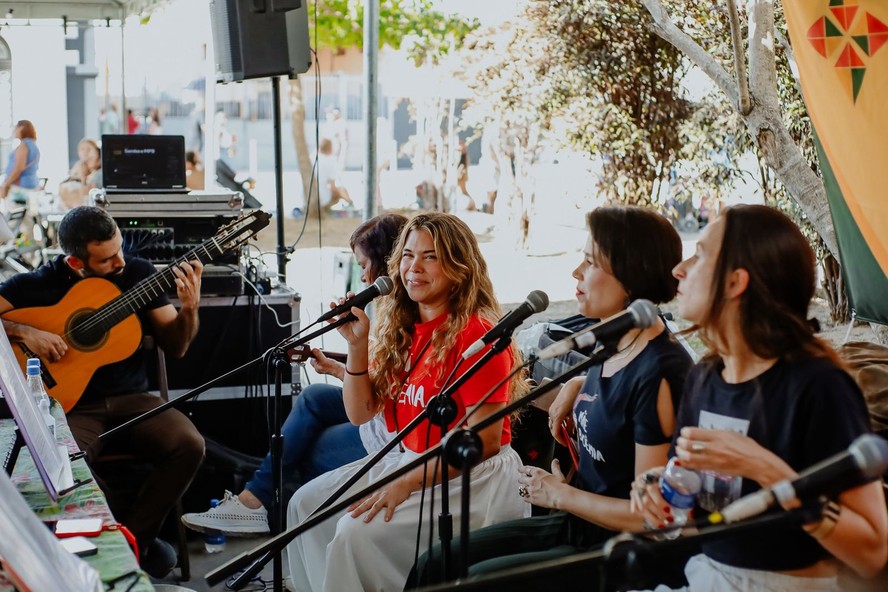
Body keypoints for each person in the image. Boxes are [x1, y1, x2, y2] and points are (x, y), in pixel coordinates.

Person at [408, 206, 693, 589]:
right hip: (579, 521)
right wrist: (576, 388)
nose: (576, 272)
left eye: (590, 262)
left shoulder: (660, 372)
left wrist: (561, 496)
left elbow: (650, 518)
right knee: (436, 563)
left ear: (630, 275)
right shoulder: (613, 341)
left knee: (475, 581)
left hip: (621, 547)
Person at [631, 204, 888, 591]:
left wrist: (768, 471)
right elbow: (686, 491)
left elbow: (872, 555)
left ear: (735, 282)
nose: (677, 270)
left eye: (699, 255)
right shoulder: (704, 376)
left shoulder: (820, 387)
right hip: (705, 575)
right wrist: (654, 488)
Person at [286, 212, 529, 592]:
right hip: (413, 463)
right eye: (408, 255)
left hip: (469, 474)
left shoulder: (478, 336)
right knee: (305, 506)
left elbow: (484, 442)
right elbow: (360, 412)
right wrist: (356, 345)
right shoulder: (401, 326)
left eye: (430, 257)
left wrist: (405, 483)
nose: (414, 268)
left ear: (460, 268)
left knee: (354, 534)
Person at [0, 206, 205, 578]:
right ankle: (107, 538)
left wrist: (190, 308)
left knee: (188, 443)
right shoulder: (37, 285)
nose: (120, 262)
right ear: (76, 261)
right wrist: (24, 332)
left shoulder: (138, 274)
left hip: (135, 401)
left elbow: (176, 346)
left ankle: (134, 542)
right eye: (108, 258)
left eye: (121, 249)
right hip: (72, 407)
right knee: (63, 466)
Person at [181, 213, 408, 536]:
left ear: (385, 262)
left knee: (306, 450)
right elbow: (383, 378)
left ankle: (261, 507)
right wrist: (336, 367)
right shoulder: (391, 309)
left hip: (392, 427)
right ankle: (254, 503)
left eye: (363, 265)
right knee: (313, 397)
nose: (361, 278)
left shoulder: (407, 315)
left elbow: (388, 393)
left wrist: (350, 363)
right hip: (381, 407)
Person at [1, 120, 41, 202]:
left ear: (22, 128)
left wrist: (6, 185)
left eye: (16, 127)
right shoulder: (33, 144)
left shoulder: (24, 145)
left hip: (19, 187)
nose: (14, 130)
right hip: (30, 185)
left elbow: (19, 168)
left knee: (13, 213)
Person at [59, 139, 102, 209]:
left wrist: (82, 177)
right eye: (82, 150)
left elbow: (88, 193)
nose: (85, 153)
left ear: (98, 152)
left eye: (89, 149)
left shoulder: (99, 174)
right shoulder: (78, 168)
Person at [316, 137, 354, 214]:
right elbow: (333, 187)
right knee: (341, 189)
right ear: (330, 148)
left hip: (306, 199)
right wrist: (344, 197)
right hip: (321, 200)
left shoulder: (312, 156)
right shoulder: (329, 161)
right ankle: (351, 204)